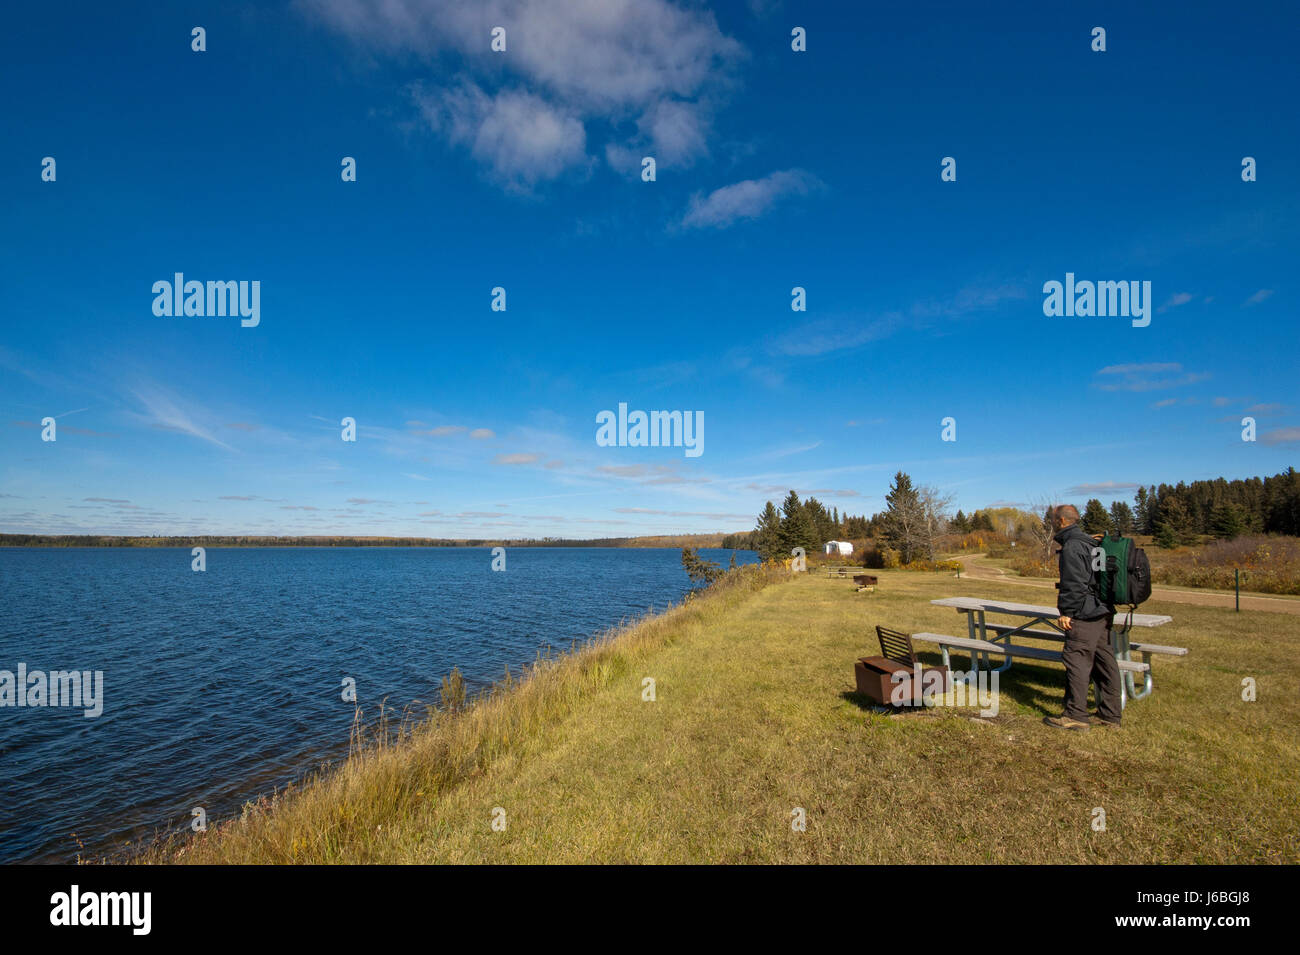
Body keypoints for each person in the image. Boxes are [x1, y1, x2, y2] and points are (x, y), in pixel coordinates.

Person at [1043, 504, 1121, 731]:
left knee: (1077, 661)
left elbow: (1074, 584)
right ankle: (1110, 715)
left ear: (1061, 521)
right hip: (1102, 611)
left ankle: (1076, 715)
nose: (1052, 522)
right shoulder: (1091, 542)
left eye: (1053, 519)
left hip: (1085, 614)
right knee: (1105, 663)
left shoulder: (1073, 546)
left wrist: (1067, 612)